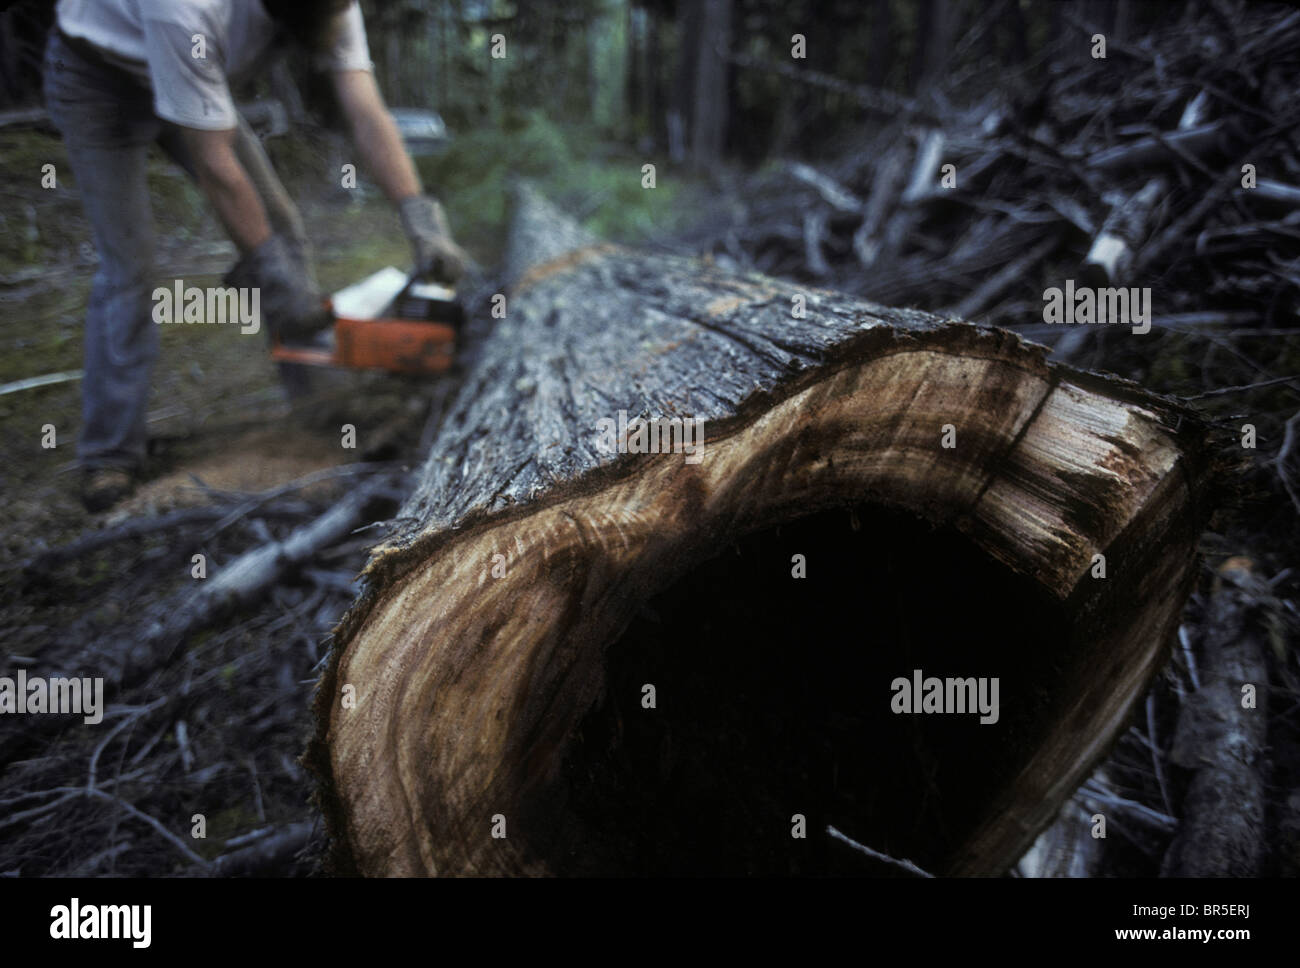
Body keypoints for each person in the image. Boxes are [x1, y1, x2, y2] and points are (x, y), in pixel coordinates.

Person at [43, 0, 470, 512]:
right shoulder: (188, 9)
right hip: (99, 79)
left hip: (191, 78)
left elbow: (367, 113)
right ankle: (108, 456)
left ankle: (319, 412)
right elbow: (216, 165)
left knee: (283, 230)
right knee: (131, 271)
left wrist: (421, 219)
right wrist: (270, 274)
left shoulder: (331, 6)